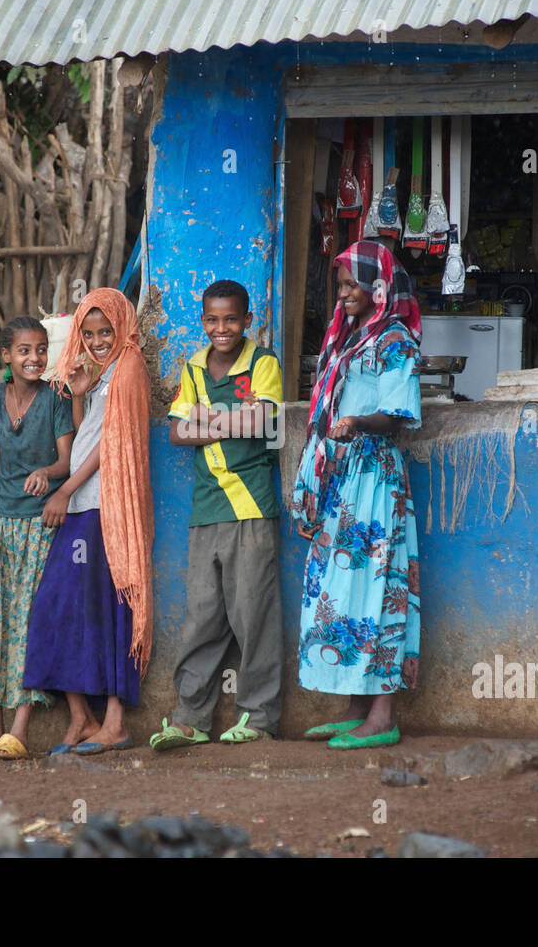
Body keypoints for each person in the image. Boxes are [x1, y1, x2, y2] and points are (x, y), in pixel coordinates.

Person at [291, 240, 422, 749]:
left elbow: (398, 413)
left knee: (381, 589)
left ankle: (384, 716)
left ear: (379, 287)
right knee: (340, 593)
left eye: (352, 285)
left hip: (374, 477)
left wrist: (356, 423)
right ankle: (354, 705)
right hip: (343, 477)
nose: (344, 293)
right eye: (340, 285)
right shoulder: (347, 336)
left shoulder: (394, 340)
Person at [150, 279, 285, 750]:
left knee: (254, 617)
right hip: (206, 511)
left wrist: (206, 419)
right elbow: (175, 433)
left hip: (251, 509)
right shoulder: (193, 366)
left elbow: (265, 421)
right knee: (202, 619)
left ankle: (259, 716)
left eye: (231, 319)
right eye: (212, 319)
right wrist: (232, 419)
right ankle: (191, 717)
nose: (221, 328)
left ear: (248, 320)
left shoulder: (264, 362)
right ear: (202, 321)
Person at [23, 289, 154, 755]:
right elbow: (87, 434)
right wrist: (80, 395)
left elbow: (110, 446)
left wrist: (63, 489)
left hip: (105, 508)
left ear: (122, 328)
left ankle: (115, 721)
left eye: (106, 332)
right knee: (59, 608)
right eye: (89, 333)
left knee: (108, 610)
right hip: (85, 504)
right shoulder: (106, 373)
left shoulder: (131, 366)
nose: (98, 341)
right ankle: (82, 717)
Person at [0, 318, 75, 759]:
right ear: (6, 356)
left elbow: (68, 459)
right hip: (0, 531)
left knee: (27, 626)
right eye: (24, 350)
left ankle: (20, 732)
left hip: (40, 529)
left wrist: (47, 473)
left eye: (41, 350)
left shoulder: (57, 398)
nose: (35, 358)